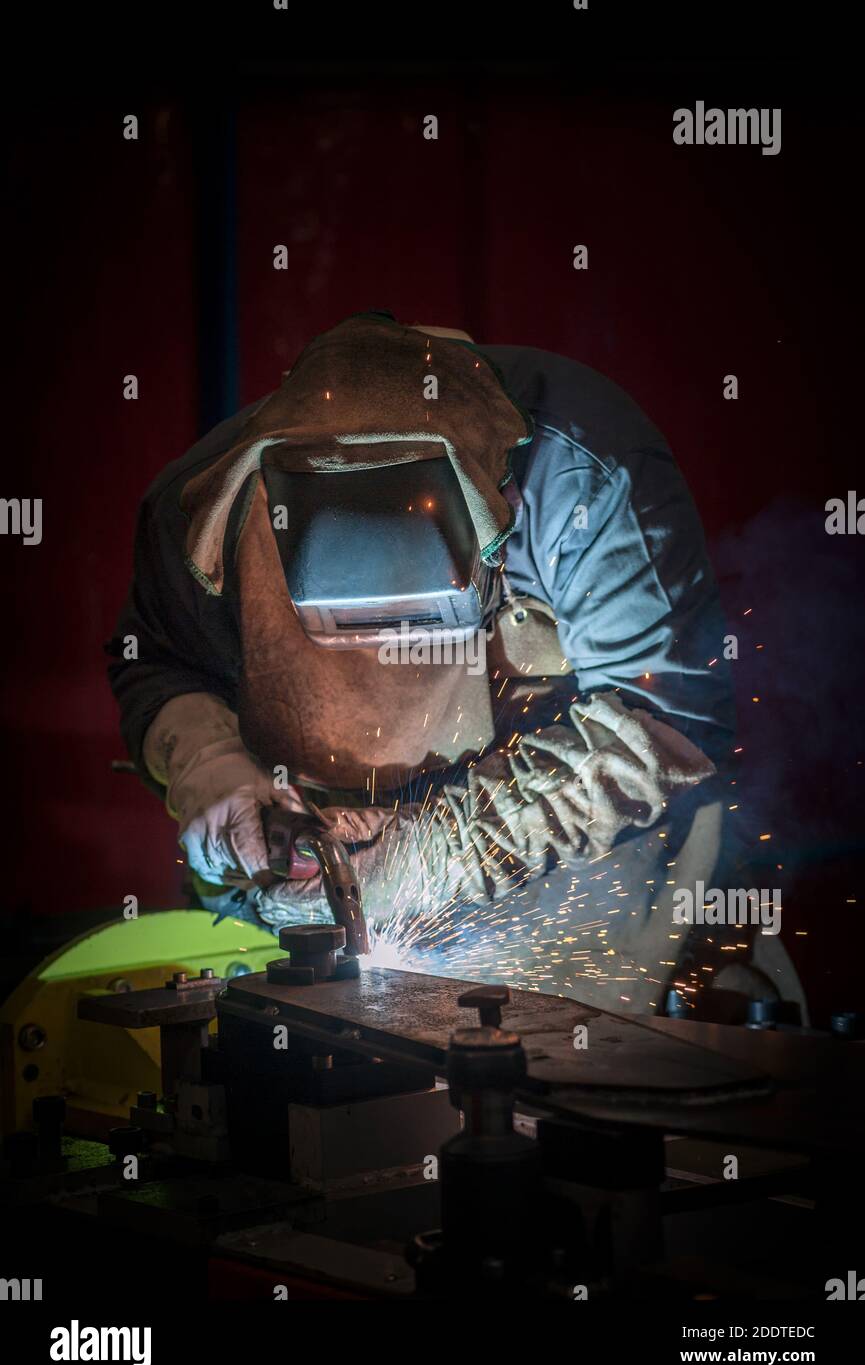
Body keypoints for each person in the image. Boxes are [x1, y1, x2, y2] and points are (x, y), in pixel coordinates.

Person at [107, 311, 797, 1017]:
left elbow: (668, 728)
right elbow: (156, 663)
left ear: (500, 510)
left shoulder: (579, 471)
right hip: (304, 908)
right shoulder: (196, 511)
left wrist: (432, 856)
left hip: (589, 895)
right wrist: (213, 770)